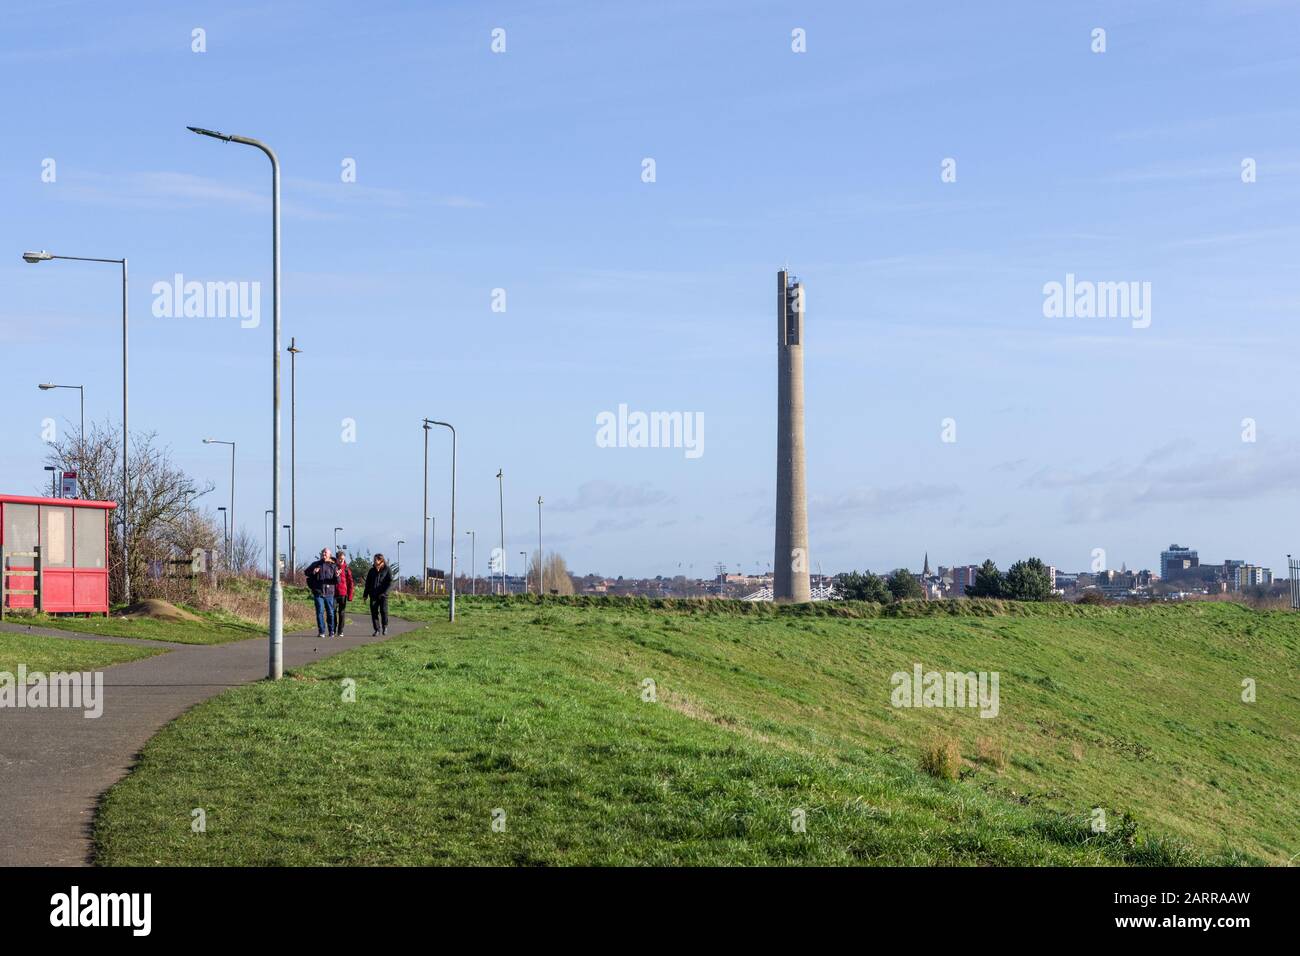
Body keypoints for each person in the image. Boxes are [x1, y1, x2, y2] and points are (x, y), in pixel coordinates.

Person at [306, 547, 339, 638]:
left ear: (329, 555)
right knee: (320, 612)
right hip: (318, 592)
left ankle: (331, 631)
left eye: (325, 553)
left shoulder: (333, 565)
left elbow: (337, 581)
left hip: (329, 593)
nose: (324, 554)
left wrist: (337, 576)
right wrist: (313, 572)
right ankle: (321, 632)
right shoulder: (316, 564)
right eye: (323, 553)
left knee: (330, 612)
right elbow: (306, 573)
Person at [364, 552, 393, 636]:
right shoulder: (371, 570)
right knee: (374, 613)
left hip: (383, 595)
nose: (374, 562)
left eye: (376, 560)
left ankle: (385, 627)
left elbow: (390, 582)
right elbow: (368, 583)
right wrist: (365, 595)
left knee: (384, 611)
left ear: (381, 561)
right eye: (374, 560)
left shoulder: (387, 569)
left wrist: (385, 593)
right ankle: (377, 629)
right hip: (373, 594)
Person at [334, 550, 355, 636]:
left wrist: (350, 596)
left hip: (343, 593)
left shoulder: (346, 569)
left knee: (342, 612)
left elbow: (350, 583)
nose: (341, 561)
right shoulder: (333, 567)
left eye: (342, 559)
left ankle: (340, 630)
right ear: (337, 559)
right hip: (333, 594)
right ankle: (333, 629)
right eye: (339, 559)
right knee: (332, 612)